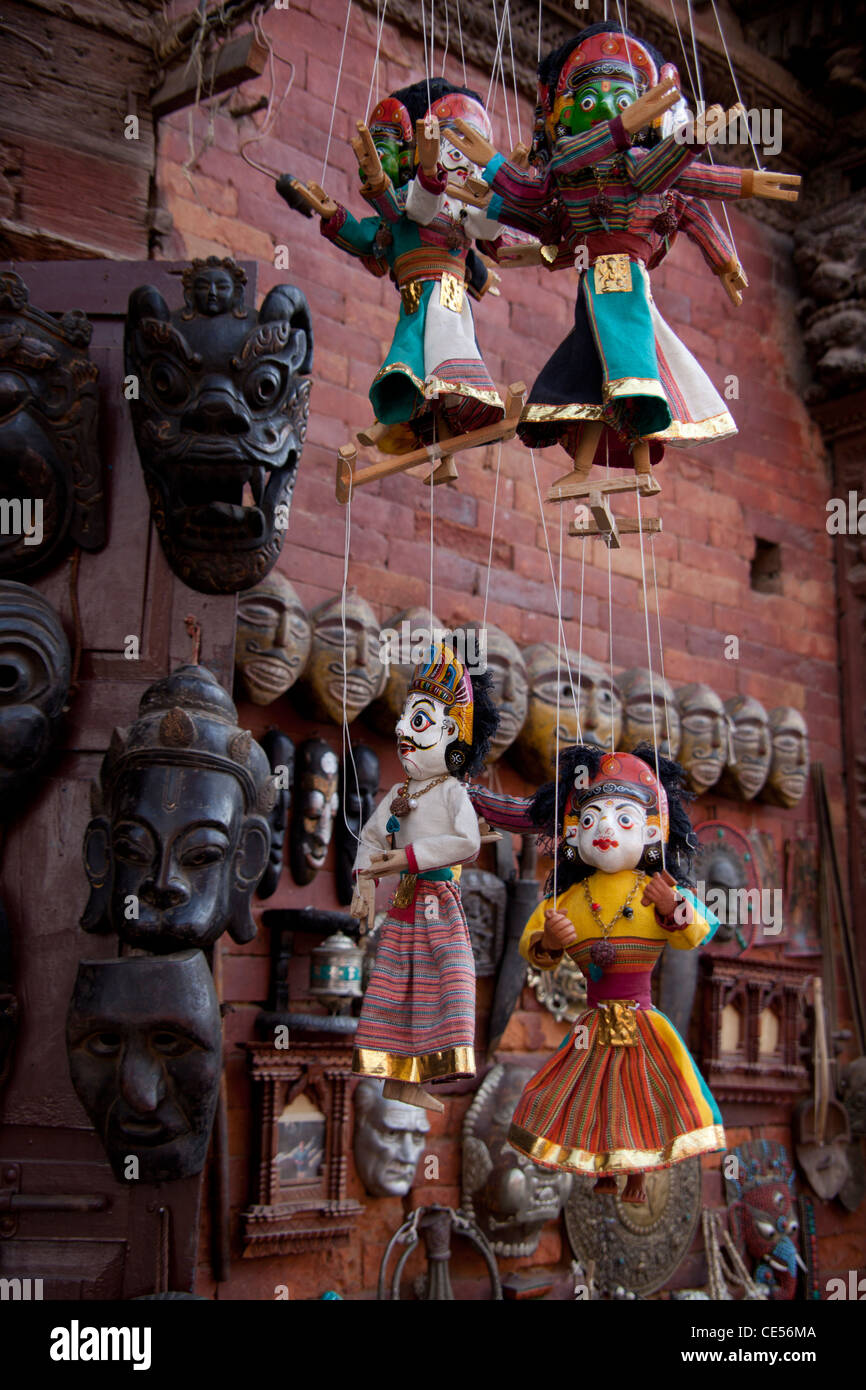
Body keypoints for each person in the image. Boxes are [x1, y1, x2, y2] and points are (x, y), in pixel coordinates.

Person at [448, 23, 800, 489]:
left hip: (622, 283)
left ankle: (639, 470)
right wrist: (490, 177)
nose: (608, 113)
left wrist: (739, 187)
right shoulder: (568, 171)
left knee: (629, 377)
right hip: (594, 287)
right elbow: (535, 196)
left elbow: (681, 180)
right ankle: (584, 472)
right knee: (592, 383)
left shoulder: (635, 167)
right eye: (590, 103)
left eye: (622, 103)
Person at [507, 745, 724, 1204]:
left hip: (643, 1019)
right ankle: (601, 1168)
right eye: (589, 821)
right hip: (593, 1020)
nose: (603, 829)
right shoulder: (566, 901)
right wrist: (550, 940)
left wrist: (673, 912)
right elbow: (535, 952)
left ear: (651, 831)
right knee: (593, 1092)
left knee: (642, 1095)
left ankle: (638, 1174)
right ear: (573, 835)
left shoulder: (658, 889)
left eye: (622, 819)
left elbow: (699, 933)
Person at [350, 644, 499, 1111]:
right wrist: (364, 881)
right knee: (396, 981)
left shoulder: (453, 792)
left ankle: (431, 1068)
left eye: (417, 721)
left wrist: (405, 859)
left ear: (450, 732)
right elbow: (372, 839)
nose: (400, 731)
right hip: (405, 905)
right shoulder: (399, 792)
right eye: (404, 721)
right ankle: (397, 1077)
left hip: (438, 899)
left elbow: (466, 842)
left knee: (452, 978)